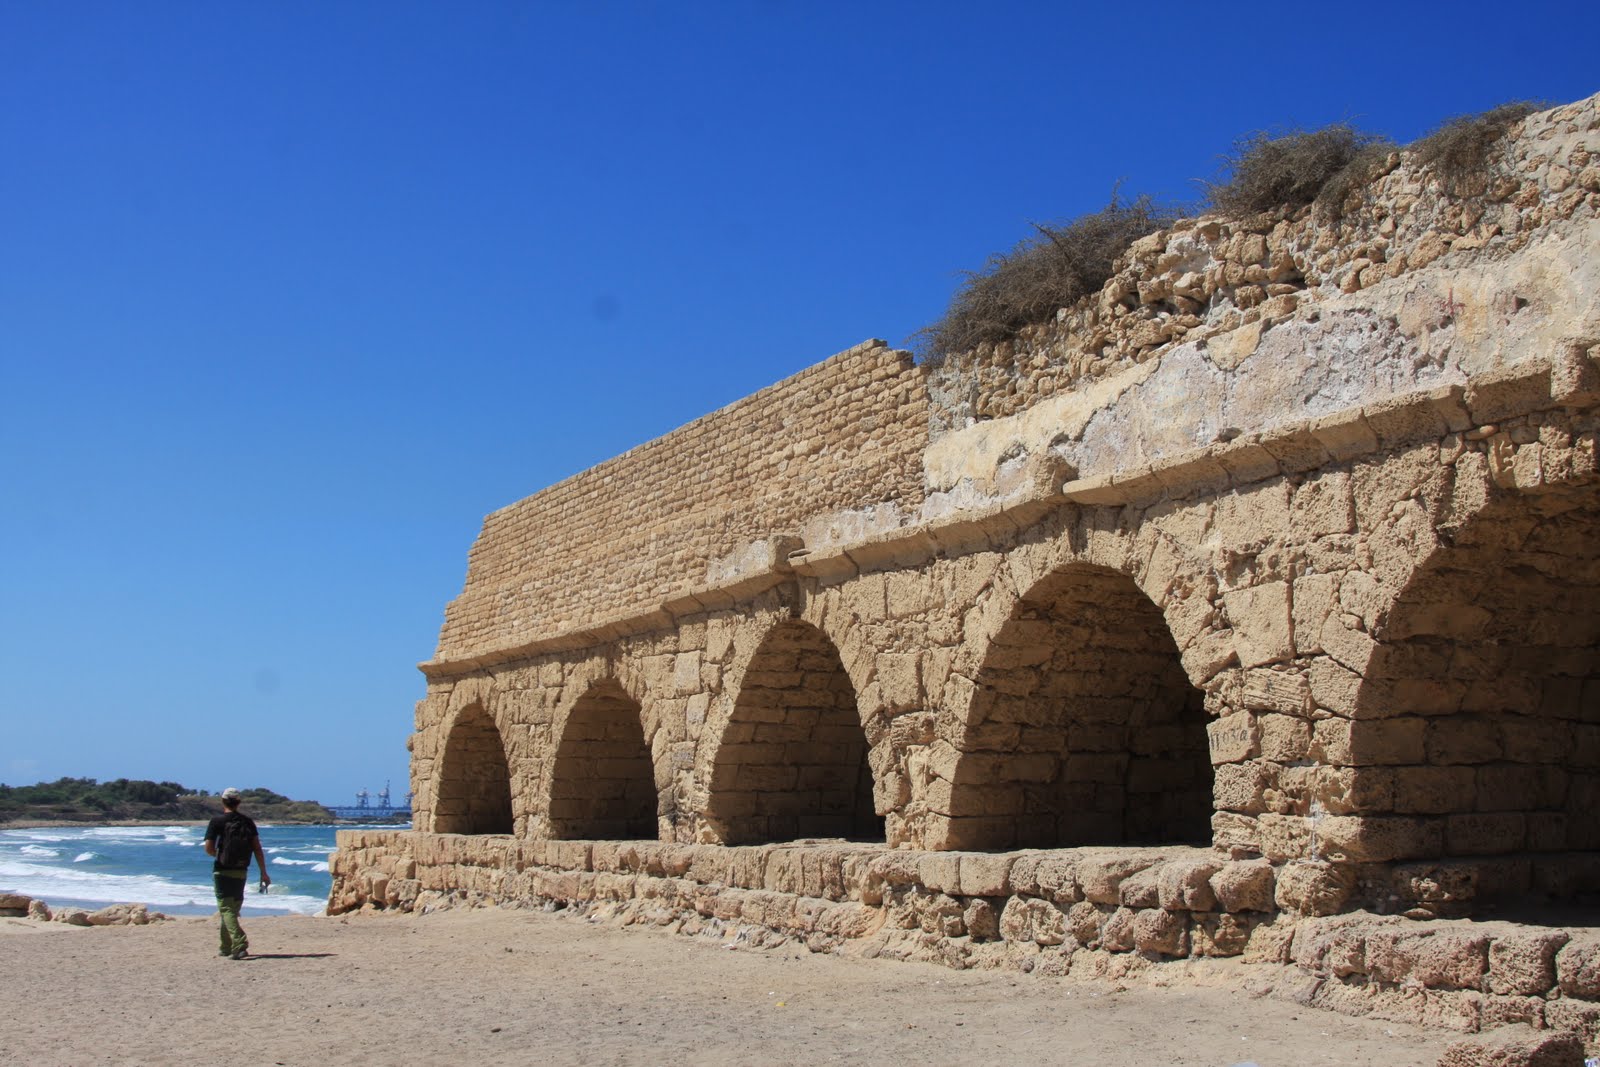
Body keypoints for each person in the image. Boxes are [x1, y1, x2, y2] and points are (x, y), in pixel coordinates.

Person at [203, 787, 270, 959]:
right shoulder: (247, 822)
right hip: (241, 871)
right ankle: (225, 946)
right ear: (239, 802)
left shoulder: (217, 821)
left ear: (223, 801)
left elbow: (208, 848)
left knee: (226, 909)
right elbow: (257, 848)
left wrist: (219, 855)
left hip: (222, 870)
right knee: (231, 910)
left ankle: (240, 943)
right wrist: (263, 872)